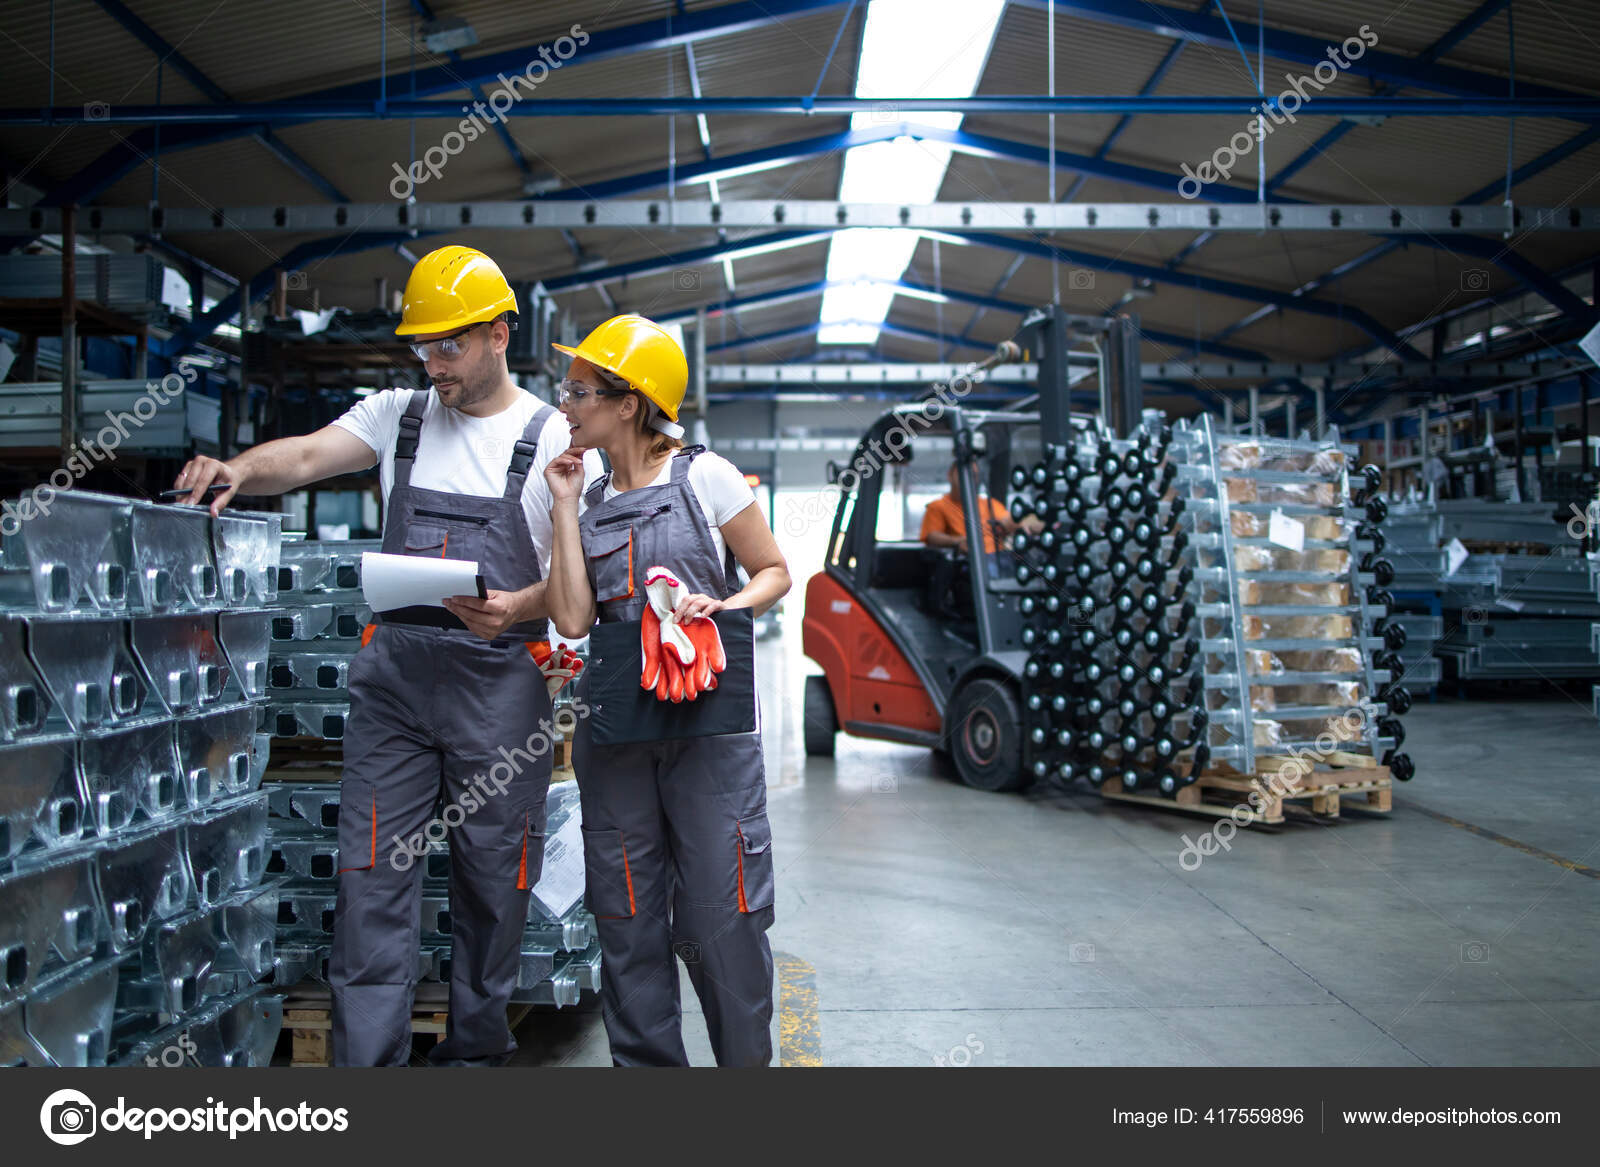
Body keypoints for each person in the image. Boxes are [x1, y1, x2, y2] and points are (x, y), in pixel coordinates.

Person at [174, 245, 570, 1067]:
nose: (432, 363)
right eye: (421, 347)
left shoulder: (555, 437)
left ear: (500, 334)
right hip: (393, 687)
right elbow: (312, 455)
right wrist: (239, 469)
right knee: (369, 881)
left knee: (493, 884)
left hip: (499, 689)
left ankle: (474, 1059)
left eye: (448, 345)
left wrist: (518, 609)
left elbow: (582, 584)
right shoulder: (400, 413)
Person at [542, 314, 791, 1067]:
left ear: (628, 403)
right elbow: (574, 615)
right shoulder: (583, 503)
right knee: (626, 917)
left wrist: (724, 607)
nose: (564, 403)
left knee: (723, 917)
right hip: (617, 736)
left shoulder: (705, 476)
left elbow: (775, 572)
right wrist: (559, 503)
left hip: (706, 734)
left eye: (579, 390)